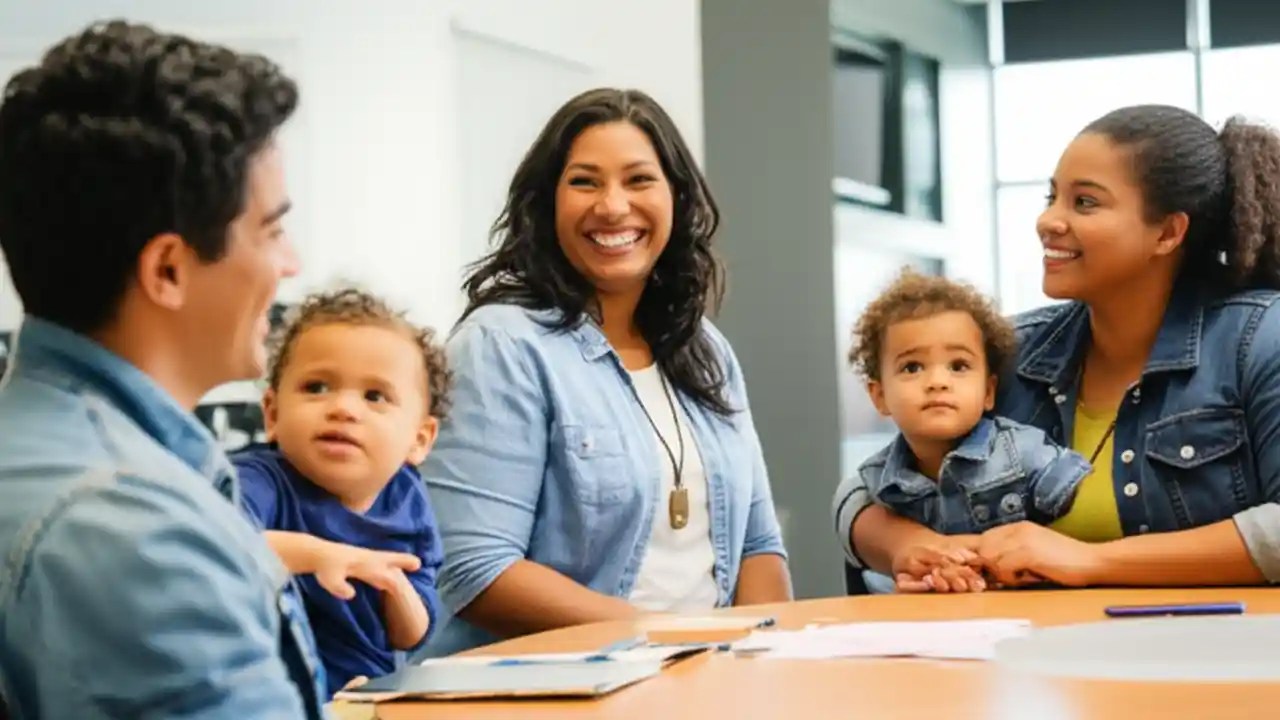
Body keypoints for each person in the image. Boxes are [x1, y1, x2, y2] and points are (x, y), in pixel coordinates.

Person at [0, 20, 327, 717]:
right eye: (271, 231)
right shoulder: (133, 533)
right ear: (169, 269)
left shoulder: (39, 446)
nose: (290, 264)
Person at [836, 104, 1280, 591]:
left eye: (1084, 202)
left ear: (1168, 232)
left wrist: (1090, 561)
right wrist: (911, 547)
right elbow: (865, 491)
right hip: (1033, 657)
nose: (1048, 220)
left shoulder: (1260, 339)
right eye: (1053, 196)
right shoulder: (1013, 351)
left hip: (1221, 659)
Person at [422, 87, 792, 655]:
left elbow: (758, 545)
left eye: (639, 180)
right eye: (585, 182)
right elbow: (478, 570)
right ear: (548, 202)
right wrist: (664, 637)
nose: (613, 206)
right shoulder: (501, 344)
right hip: (558, 690)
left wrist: (761, 660)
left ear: (678, 198)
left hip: (707, 679)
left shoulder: (707, 350)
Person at [232, 288, 450, 696]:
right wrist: (325, 556)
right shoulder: (260, 479)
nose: (344, 408)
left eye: (375, 396)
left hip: (364, 695)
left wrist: (395, 585)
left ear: (419, 439)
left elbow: (411, 634)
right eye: (317, 388)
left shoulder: (407, 495)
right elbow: (224, 543)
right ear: (273, 414)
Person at [844, 269, 1091, 592]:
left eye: (958, 366)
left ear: (989, 392)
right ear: (879, 395)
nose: (937, 382)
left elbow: (1082, 524)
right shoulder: (878, 480)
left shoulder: (1024, 453)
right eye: (912, 367)